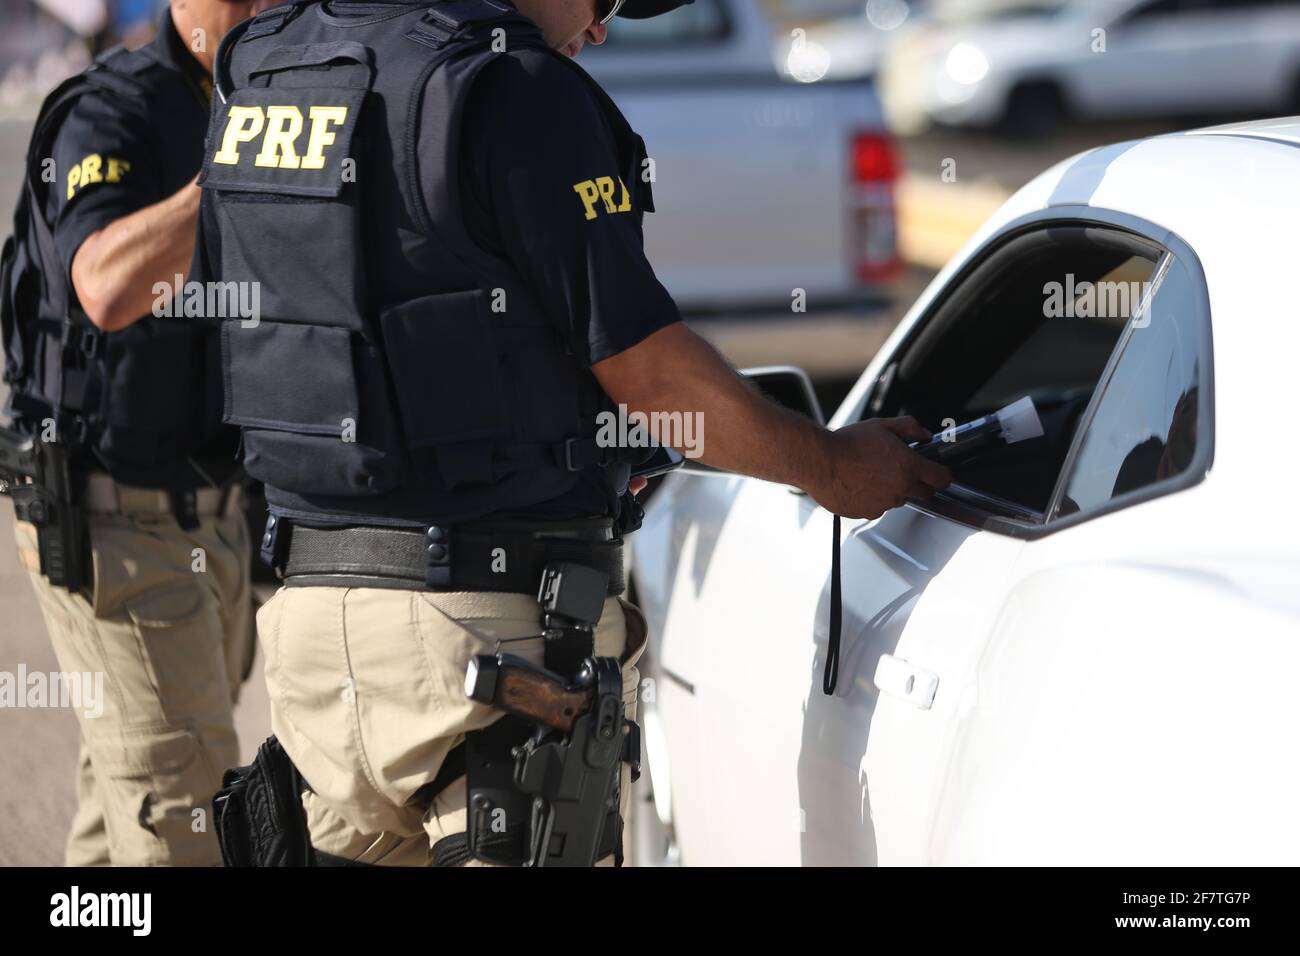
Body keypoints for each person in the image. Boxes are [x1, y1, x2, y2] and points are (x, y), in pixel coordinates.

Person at [192, 0, 950, 867]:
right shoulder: (513, 86)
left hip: (311, 640)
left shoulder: (267, 65)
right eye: (605, 1)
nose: (599, 28)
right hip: (484, 647)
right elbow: (652, 375)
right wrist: (831, 464)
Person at [0, 0, 262, 865]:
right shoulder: (113, 108)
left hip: (216, 521)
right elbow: (105, 283)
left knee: (120, 823)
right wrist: (245, 161)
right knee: (191, 821)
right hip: (118, 528)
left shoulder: (254, 97)